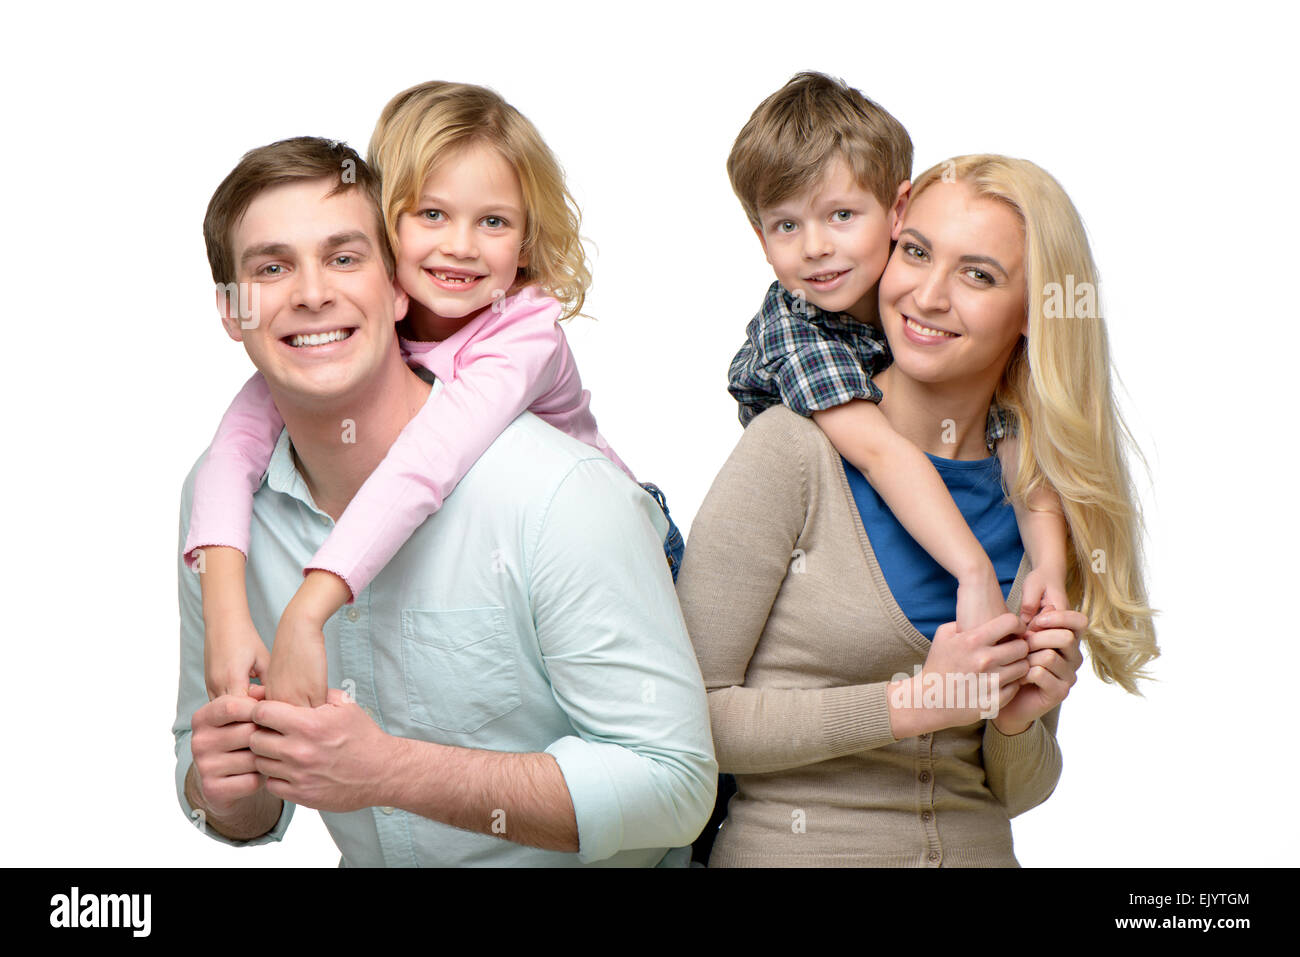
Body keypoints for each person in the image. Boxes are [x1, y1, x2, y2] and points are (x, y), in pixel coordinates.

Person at [172, 135, 716, 866]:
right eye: (271, 267)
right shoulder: (225, 509)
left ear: (397, 285)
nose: (309, 293)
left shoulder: (556, 492)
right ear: (231, 309)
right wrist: (228, 794)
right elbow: (220, 789)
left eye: (343, 257)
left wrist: (391, 769)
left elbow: (676, 786)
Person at [678, 154, 1158, 867]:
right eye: (915, 252)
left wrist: (1019, 725)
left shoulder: (1039, 504)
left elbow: (1013, 791)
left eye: (978, 274)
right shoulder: (793, 451)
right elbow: (688, 721)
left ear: (1033, 313)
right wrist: (918, 702)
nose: (927, 295)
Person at [183, 81, 685, 708]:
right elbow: (232, 450)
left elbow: (428, 461)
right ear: (388, 230)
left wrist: (310, 607)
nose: (461, 246)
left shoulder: (524, 332)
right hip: (494, 555)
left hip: (623, 548)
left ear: (526, 243)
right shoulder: (365, 325)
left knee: (703, 748)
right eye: (431, 214)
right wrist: (226, 615)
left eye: (494, 221)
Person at [726, 72, 1070, 638]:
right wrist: (973, 572)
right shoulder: (795, 327)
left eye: (841, 216)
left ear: (898, 208)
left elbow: (1015, 431)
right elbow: (881, 453)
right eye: (786, 225)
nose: (815, 248)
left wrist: (1050, 570)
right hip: (824, 514)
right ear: (761, 238)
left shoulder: (915, 291)